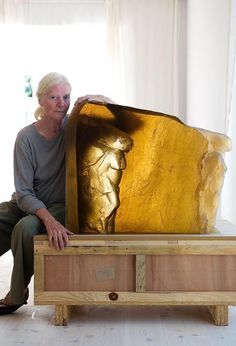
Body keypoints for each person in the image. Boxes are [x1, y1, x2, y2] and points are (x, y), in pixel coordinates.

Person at [0, 72, 75, 315]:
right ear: (40, 99)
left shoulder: (74, 129)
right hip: (27, 201)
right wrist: (48, 220)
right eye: (54, 97)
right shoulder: (26, 137)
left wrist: (92, 98)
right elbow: (23, 193)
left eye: (66, 97)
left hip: (60, 205)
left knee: (25, 228)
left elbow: (111, 110)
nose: (61, 103)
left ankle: (17, 293)